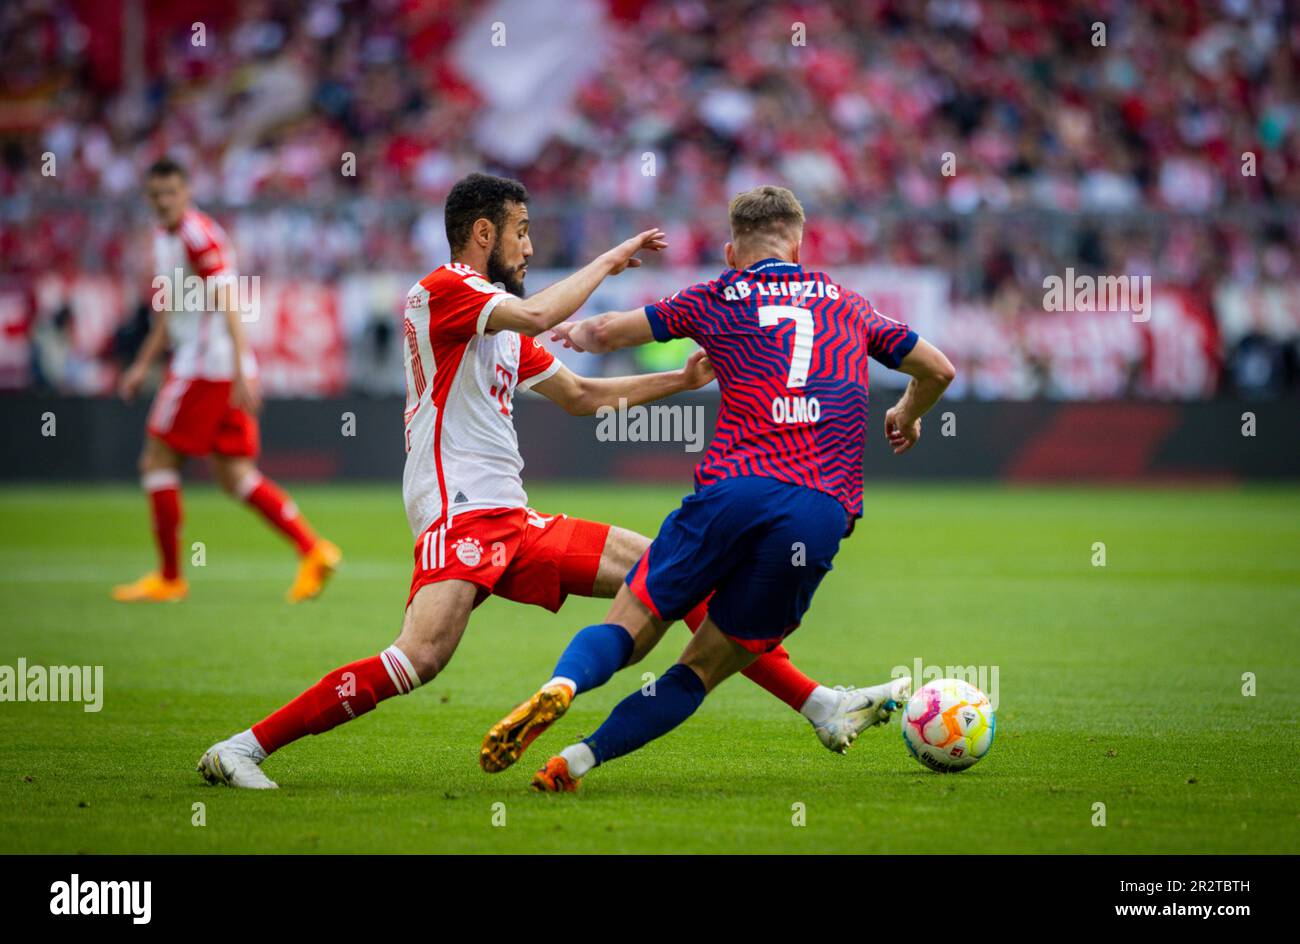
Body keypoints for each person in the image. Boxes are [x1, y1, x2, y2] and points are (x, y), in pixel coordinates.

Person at [197, 174, 883, 789]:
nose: (529, 249)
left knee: (668, 571)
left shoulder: (494, 325)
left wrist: (679, 380)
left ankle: (819, 704)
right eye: (523, 233)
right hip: (458, 511)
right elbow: (540, 315)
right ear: (484, 233)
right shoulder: (444, 292)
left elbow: (583, 398)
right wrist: (613, 260)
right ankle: (243, 748)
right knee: (420, 658)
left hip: (511, 519)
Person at [481, 184, 955, 791]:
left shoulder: (716, 296)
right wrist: (909, 414)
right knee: (698, 670)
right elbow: (937, 368)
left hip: (733, 491)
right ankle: (574, 763)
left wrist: (572, 333)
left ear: (733, 252)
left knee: (633, 622)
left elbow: (604, 334)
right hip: (818, 513)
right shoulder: (848, 303)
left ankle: (563, 685)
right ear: (799, 245)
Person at [114, 157, 340, 605]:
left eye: (170, 193)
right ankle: (314, 550)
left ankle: (171, 577)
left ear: (187, 191)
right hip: (212, 365)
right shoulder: (165, 238)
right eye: (155, 194)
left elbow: (230, 301)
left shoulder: (197, 237)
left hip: (206, 368)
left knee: (157, 461)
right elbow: (172, 311)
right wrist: (143, 362)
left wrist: (241, 367)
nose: (162, 202)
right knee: (235, 475)